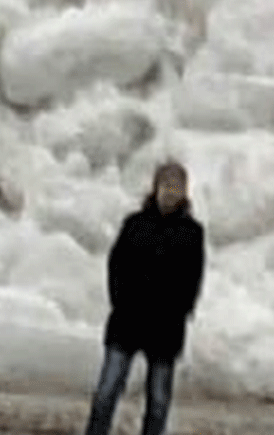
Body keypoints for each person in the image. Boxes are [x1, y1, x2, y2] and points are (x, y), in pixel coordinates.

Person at [83, 160, 206, 435]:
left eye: (177, 188)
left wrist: (181, 309)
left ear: (185, 193)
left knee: (159, 400)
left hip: (166, 327)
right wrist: (120, 300)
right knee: (107, 390)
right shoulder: (135, 224)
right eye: (167, 186)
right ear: (156, 188)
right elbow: (116, 265)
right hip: (128, 320)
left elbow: (193, 276)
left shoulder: (192, 232)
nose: (171, 193)